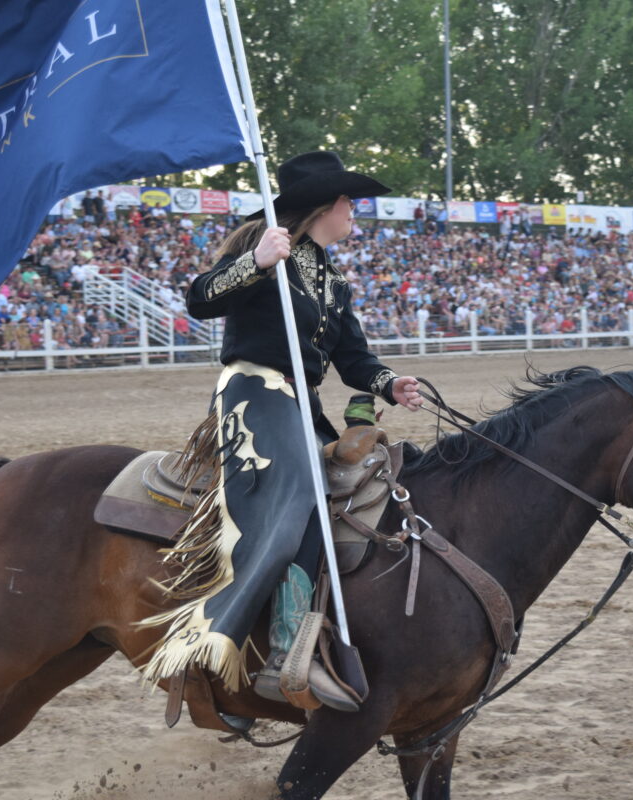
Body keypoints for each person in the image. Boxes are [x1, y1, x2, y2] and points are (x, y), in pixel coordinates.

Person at [148, 151, 423, 713]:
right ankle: (284, 650)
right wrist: (255, 261)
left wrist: (390, 384)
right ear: (323, 206)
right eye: (348, 200)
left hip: (303, 405)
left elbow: (354, 358)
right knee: (299, 492)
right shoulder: (267, 249)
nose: (355, 210)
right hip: (253, 395)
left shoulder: (332, 277)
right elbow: (199, 299)